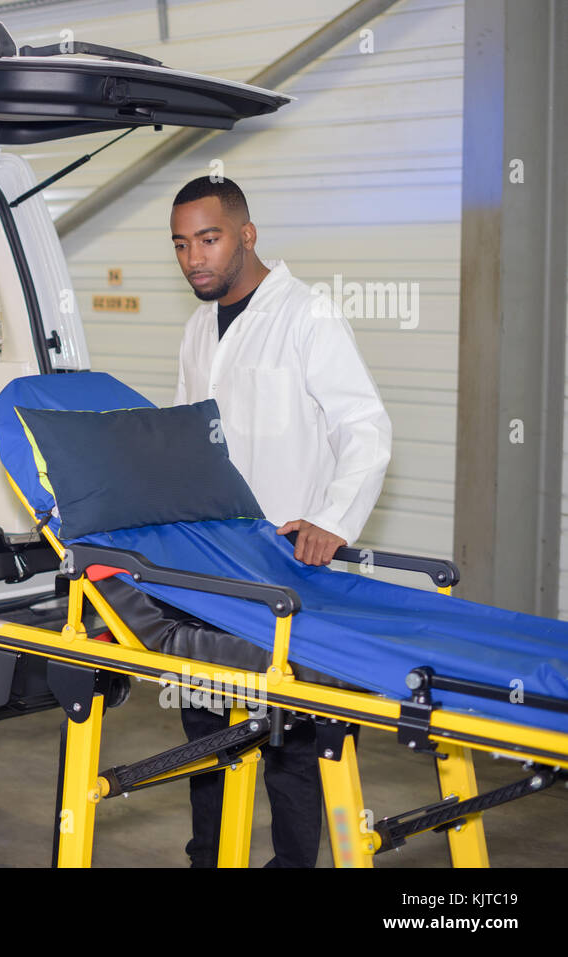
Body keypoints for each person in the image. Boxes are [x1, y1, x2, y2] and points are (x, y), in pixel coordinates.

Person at [168, 175, 391, 866]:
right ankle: (210, 856)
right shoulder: (198, 328)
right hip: (211, 568)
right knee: (204, 730)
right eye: (181, 245)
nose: (194, 258)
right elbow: (184, 438)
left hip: (288, 570)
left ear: (246, 234)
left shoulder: (308, 315)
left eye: (209, 239)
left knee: (291, 747)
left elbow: (366, 425)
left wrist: (331, 519)